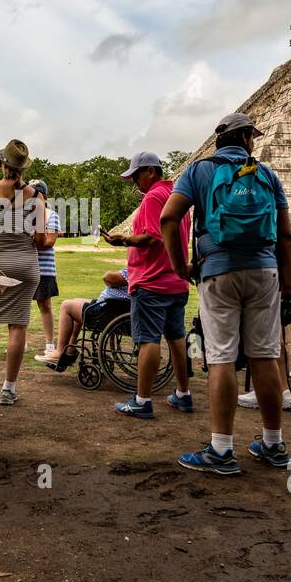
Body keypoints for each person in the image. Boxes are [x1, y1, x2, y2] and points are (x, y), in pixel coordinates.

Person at [160, 113, 291, 475]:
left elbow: (168, 218)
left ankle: (221, 449)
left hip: (217, 269)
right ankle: (273, 443)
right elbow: (285, 236)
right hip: (265, 271)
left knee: (221, 359)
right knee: (265, 357)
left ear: (219, 139)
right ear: (248, 139)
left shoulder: (199, 171)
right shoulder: (266, 174)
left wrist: (179, 267)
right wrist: (289, 284)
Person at [104, 152, 193, 418]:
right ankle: (183, 394)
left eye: (136, 175)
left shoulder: (154, 197)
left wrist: (124, 241)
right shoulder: (177, 195)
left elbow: (153, 237)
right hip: (175, 280)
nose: (134, 182)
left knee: (148, 340)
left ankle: (142, 400)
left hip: (152, 280)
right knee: (176, 338)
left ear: (151, 171)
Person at [0, 139, 45, 406]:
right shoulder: (37, 197)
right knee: (17, 326)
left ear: (2, 163)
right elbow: (40, 240)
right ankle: (8, 388)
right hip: (26, 265)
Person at [46, 268, 131, 372]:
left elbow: (107, 278)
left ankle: (59, 352)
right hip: (114, 308)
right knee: (75, 302)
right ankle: (69, 349)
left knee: (66, 306)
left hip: (109, 312)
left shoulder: (133, 272)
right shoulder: (147, 273)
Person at [28, 178, 62, 362]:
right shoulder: (24, 214)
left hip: (44, 268)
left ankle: (50, 346)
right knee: (21, 306)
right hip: (27, 266)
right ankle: (20, 342)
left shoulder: (51, 215)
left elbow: (49, 242)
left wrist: (32, 240)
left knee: (45, 305)